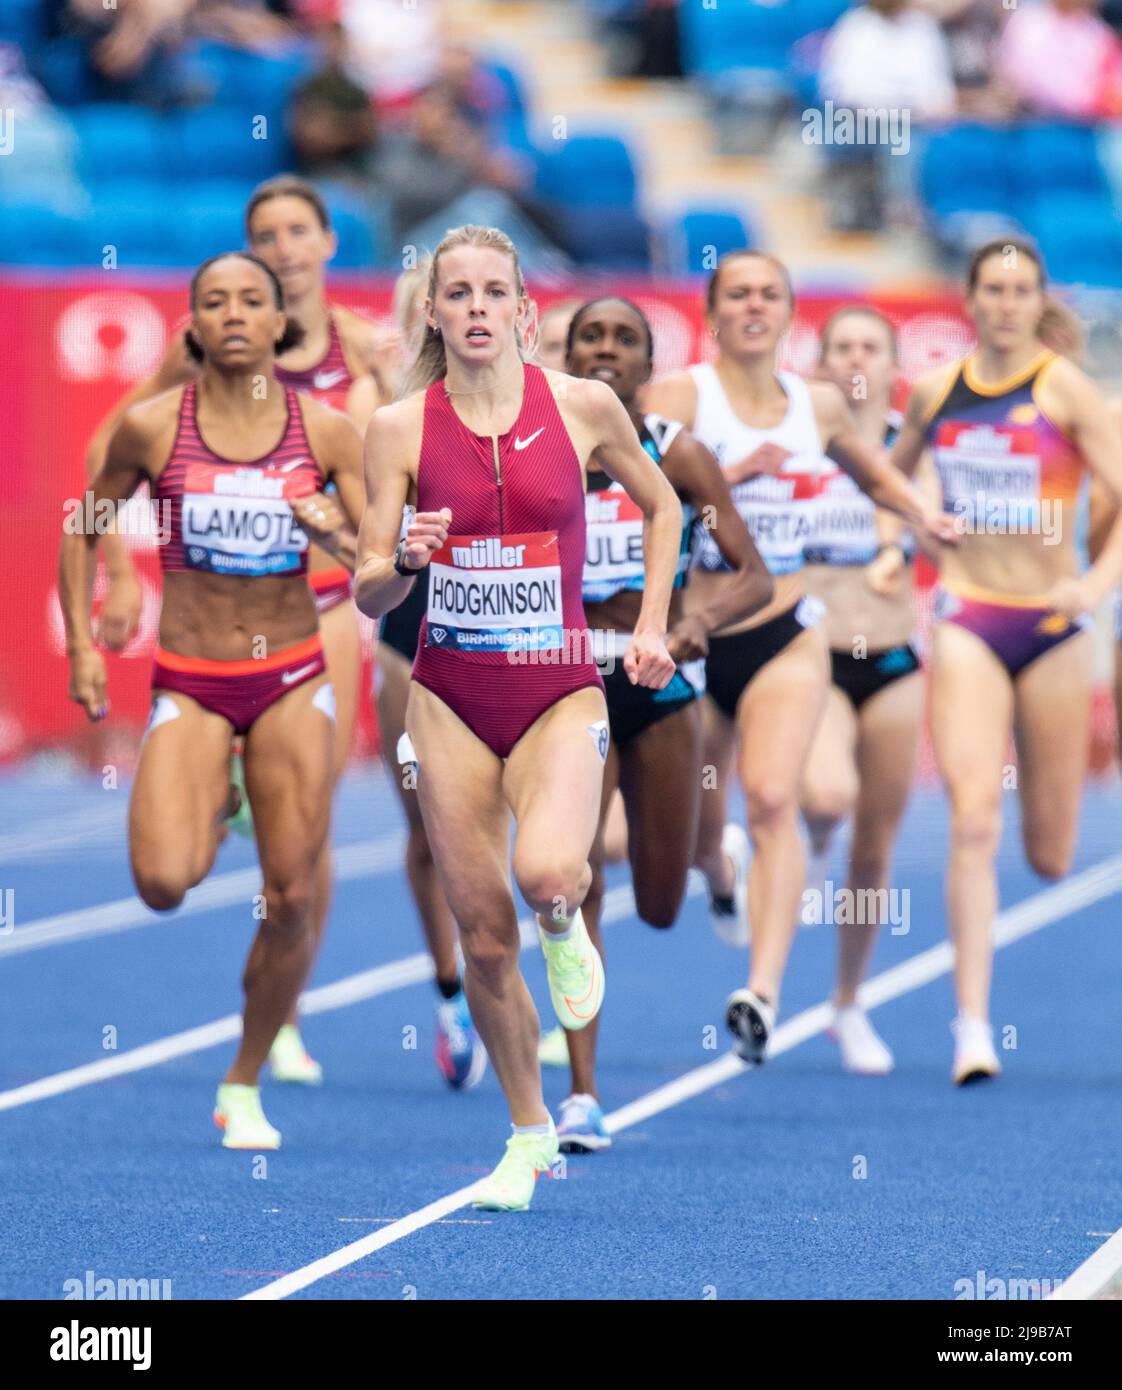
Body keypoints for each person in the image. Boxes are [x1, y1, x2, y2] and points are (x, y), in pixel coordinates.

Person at [353, 224, 682, 1210]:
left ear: (526, 310)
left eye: (496, 291)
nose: (478, 309)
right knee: (482, 935)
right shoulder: (398, 428)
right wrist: (402, 563)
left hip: (557, 683)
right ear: (436, 312)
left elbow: (664, 508)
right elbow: (367, 586)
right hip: (448, 692)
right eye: (459, 294)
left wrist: (656, 622)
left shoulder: (583, 407)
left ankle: (566, 923)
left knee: (547, 874)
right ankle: (528, 1130)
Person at [81, 176, 390, 1084]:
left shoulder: (365, 351)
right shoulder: (199, 347)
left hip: (323, 600)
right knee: (206, 836)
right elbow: (112, 453)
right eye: (267, 234)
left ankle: (280, 1012)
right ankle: (212, 790)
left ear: (329, 242)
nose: (286, 246)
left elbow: (401, 473)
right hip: (210, 621)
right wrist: (116, 575)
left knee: (306, 824)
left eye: (299, 230)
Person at [646, 249, 954, 1067]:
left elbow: (878, 475)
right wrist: (725, 476)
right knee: (696, 832)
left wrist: (925, 512)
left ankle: (764, 992)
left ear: (789, 315)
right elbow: (630, 492)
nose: (754, 306)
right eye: (738, 293)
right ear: (712, 312)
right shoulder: (682, 397)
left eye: (770, 295)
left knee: (777, 796)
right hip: (695, 632)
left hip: (783, 630)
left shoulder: (815, 405)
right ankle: (720, 874)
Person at [890, 239, 1122, 1083]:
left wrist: (1095, 582)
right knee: (973, 816)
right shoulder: (936, 392)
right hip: (968, 617)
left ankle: (1044, 850)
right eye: (994, 288)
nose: (1008, 303)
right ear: (971, 299)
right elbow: (894, 480)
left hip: (1055, 623)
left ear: (1037, 301)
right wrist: (910, 533)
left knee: (1051, 853)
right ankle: (972, 1025)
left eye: (1023, 289)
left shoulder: (1066, 391)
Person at [555, 295, 773, 1150]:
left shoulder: (678, 457)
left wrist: (686, 630)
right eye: (590, 338)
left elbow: (751, 576)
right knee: (573, 881)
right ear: (566, 354)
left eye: (624, 340)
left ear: (649, 365)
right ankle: (581, 1095)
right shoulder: (539, 451)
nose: (606, 349)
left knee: (656, 902)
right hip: (568, 683)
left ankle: (717, 859)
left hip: (663, 685)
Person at [799, 306, 926, 1075]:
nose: (855, 358)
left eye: (870, 347)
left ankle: (848, 1002)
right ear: (821, 360)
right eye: (841, 345)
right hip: (813, 652)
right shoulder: (802, 439)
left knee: (875, 850)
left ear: (891, 362)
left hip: (890, 655)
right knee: (825, 796)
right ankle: (810, 836)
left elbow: (906, 509)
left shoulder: (910, 444)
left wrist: (891, 549)